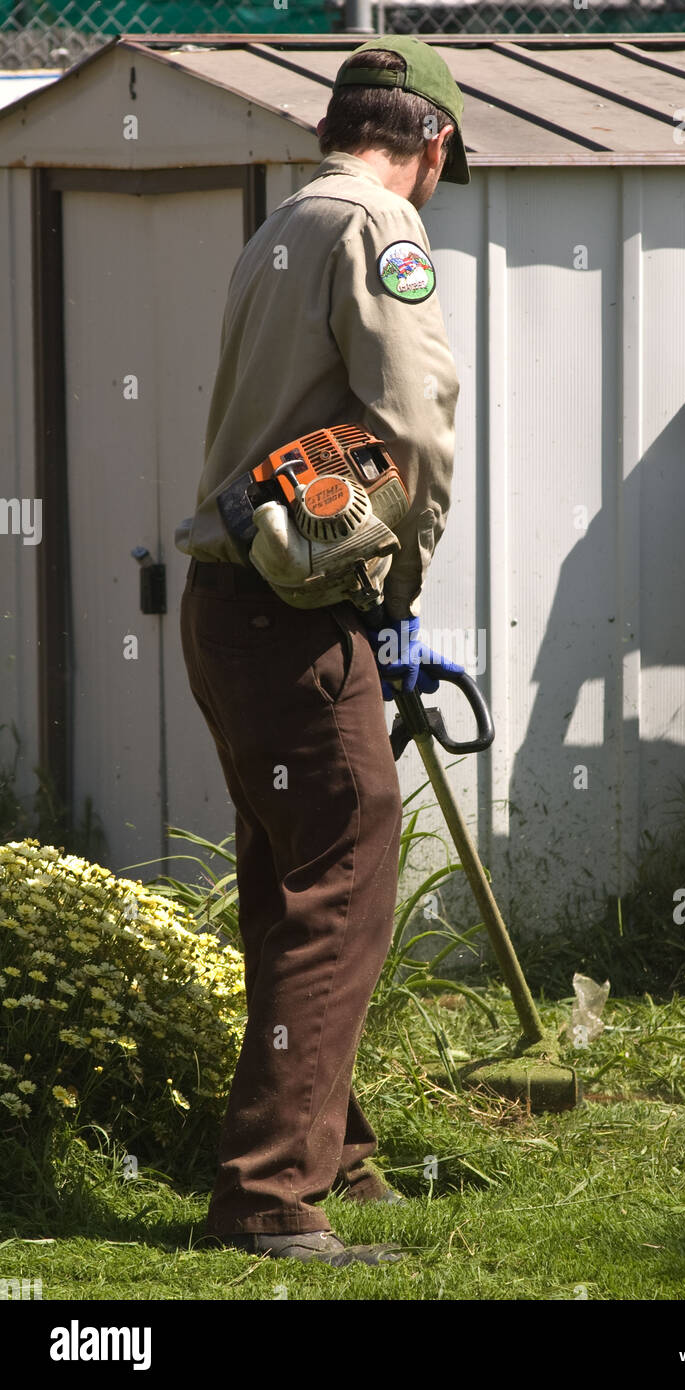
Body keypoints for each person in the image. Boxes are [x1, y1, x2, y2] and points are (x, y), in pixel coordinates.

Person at [175, 35, 468, 1267]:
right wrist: (400, 585)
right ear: (432, 143)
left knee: (289, 879)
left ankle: (330, 1144)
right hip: (295, 617)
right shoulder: (379, 233)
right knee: (343, 875)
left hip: (224, 601)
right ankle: (268, 1195)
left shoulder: (276, 228)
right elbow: (412, 429)